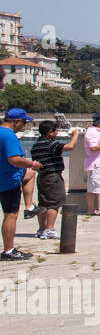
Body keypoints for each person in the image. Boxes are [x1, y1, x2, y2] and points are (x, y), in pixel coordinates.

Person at [2, 109, 42, 261]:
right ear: (16, 122)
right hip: (8, 180)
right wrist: (32, 164)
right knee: (10, 215)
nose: (25, 126)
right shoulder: (9, 135)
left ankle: (30, 207)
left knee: (29, 175)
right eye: (24, 122)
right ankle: (9, 250)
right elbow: (14, 159)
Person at [31, 121, 81, 240]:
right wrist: (75, 136)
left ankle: (41, 229)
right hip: (53, 176)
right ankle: (50, 229)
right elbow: (69, 147)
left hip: (42, 176)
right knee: (54, 202)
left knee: (42, 202)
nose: (57, 133)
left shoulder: (36, 146)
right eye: (56, 131)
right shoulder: (51, 144)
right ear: (50, 132)